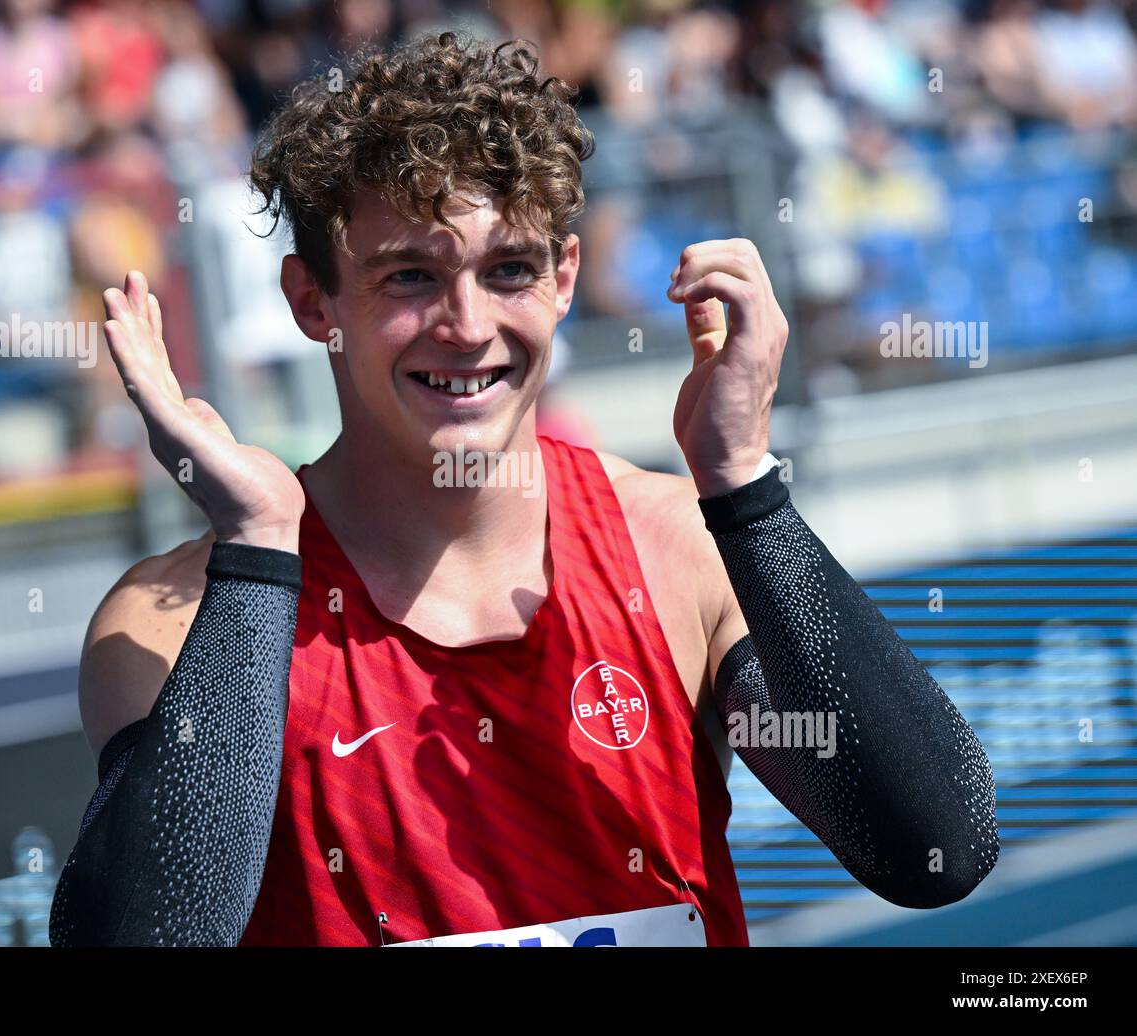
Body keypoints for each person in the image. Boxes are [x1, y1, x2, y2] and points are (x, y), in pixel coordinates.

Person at [49, 32, 999, 948]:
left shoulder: (675, 553)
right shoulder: (173, 623)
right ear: (312, 303)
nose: (467, 326)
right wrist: (258, 551)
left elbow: (936, 851)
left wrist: (744, 487)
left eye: (508, 270)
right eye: (410, 278)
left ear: (564, 279)